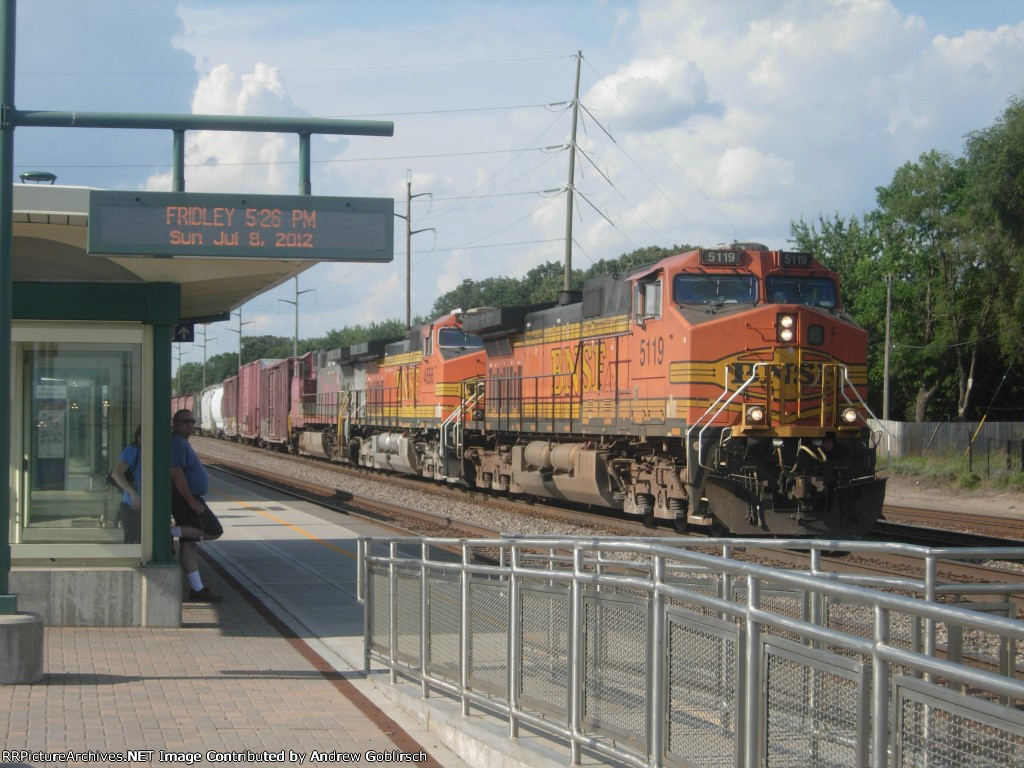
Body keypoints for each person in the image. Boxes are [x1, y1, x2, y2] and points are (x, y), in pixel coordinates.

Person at [171, 408, 224, 602]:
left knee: (189, 544)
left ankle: (197, 589)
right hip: (185, 499)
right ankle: (166, 532)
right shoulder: (176, 443)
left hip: (187, 498)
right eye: (185, 421)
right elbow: (176, 474)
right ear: (175, 424)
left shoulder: (182, 443)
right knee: (212, 530)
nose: (190, 424)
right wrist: (191, 502)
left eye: (192, 421)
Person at [110, 425, 142, 543]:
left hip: (146, 505)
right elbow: (116, 473)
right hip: (132, 504)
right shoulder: (132, 450)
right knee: (133, 540)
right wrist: (133, 493)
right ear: (138, 437)